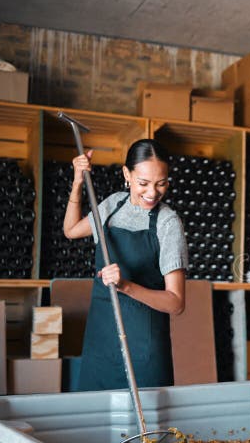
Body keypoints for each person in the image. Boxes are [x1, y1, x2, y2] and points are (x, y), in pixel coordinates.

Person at [63, 139, 188, 391]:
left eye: (161, 183)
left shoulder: (168, 223)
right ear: (126, 175)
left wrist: (125, 286)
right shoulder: (113, 205)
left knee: (145, 415)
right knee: (95, 411)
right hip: (101, 340)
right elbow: (71, 230)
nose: (152, 193)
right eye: (143, 183)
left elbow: (176, 303)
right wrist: (77, 183)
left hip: (143, 349)